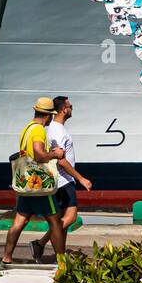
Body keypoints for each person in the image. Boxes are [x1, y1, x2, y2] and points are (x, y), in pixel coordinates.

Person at [1, 97, 67, 265]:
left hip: (26, 185)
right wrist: (55, 154)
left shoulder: (26, 129)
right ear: (48, 115)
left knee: (19, 221)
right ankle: (62, 261)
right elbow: (38, 154)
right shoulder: (38, 130)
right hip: (39, 185)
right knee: (56, 222)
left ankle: (7, 256)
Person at [30, 95, 92, 263]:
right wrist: (80, 178)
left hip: (61, 180)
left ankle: (60, 257)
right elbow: (61, 159)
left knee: (61, 220)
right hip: (63, 181)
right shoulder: (57, 130)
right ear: (64, 109)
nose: (72, 108)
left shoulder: (55, 128)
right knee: (69, 218)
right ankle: (40, 243)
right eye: (70, 106)